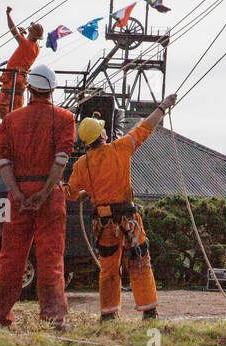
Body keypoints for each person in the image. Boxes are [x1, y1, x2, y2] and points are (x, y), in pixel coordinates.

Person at [66, 94, 176, 322]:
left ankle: (108, 314)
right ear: (102, 135)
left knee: (108, 268)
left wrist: (88, 193)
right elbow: (145, 128)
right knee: (139, 261)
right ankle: (149, 311)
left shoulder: (81, 165)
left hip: (103, 223)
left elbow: (71, 194)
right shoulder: (120, 148)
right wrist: (163, 106)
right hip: (127, 217)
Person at [0, 62, 73, 328]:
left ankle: (0, 317)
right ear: (51, 90)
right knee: (50, 257)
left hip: (17, 194)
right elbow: (61, 159)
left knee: (11, 258)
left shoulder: (10, 120)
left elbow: (3, 160)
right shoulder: (64, 118)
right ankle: (52, 317)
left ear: (29, 88)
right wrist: (45, 192)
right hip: (50, 196)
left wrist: (18, 194)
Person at [0, 7, 43, 119]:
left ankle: (7, 126)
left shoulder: (25, 44)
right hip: (21, 80)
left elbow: (12, 29)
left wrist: (8, 14)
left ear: (31, 35)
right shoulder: (36, 48)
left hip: (12, 78)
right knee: (17, 107)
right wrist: (23, 34)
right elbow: (26, 48)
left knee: (4, 106)